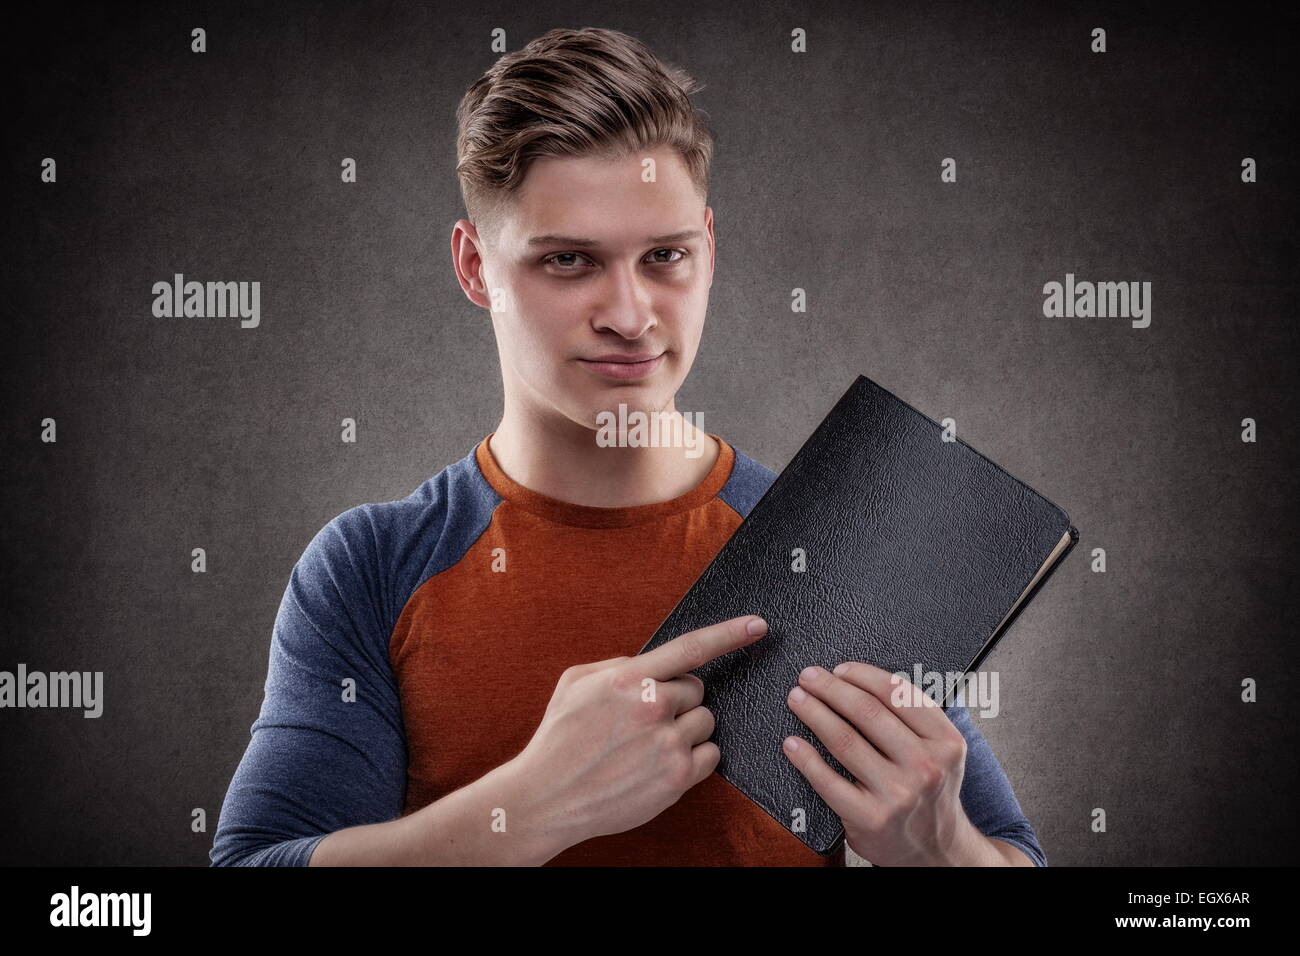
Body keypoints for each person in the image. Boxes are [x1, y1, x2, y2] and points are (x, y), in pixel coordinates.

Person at [210, 26, 1045, 867]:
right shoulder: (371, 566)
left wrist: (943, 851)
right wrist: (529, 808)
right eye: (569, 260)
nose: (631, 313)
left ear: (708, 251)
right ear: (475, 267)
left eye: (665, 257)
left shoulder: (833, 547)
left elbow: (1009, 855)